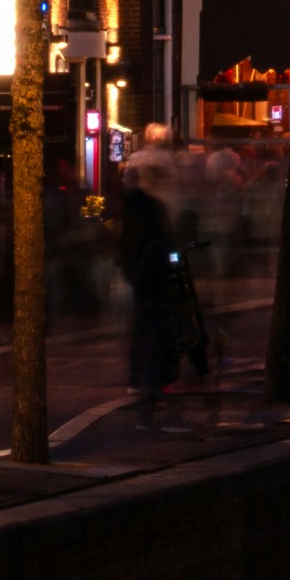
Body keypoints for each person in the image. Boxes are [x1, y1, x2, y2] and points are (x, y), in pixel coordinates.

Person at [116, 177, 199, 430]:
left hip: (148, 299)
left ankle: (147, 392)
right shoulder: (158, 243)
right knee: (158, 346)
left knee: (148, 341)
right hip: (156, 300)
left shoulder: (140, 230)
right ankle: (150, 401)